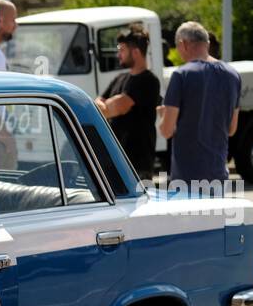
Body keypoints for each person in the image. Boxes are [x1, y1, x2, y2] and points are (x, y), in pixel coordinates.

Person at [158, 22, 242, 191]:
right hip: (218, 173)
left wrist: (162, 116)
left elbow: (166, 131)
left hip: (187, 177)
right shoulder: (233, 75)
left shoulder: (181, 75)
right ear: (207, 44)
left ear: (183, 44)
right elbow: (231, 129)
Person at [94, 24, 162, 179]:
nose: (119, 55)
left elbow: (118, 106)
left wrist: (106, 107)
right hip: (114, 160)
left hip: (137, 165)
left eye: (122, 50)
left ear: (136, 52)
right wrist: (106, 107)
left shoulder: (148, 81)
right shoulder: (119, 78)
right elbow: (96, 104)